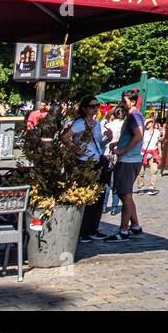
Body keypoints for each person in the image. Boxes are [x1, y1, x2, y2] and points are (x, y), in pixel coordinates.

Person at [106, 90, 145, 241]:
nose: (121, 104)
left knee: (125, 195)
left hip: (129, 160)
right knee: (125, 194)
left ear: (133, 102)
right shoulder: (133, 115)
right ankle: (135, 226)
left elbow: (139, 135)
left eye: (124, 101)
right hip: (130, 159)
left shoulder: (134, 115)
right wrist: (119, 143)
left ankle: (123, 230)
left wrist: (123, 149)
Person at [69, 96, 110, 242]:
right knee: (85, 196)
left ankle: (93, 228)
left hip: (96, 161)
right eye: (92, 106)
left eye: (96, 106)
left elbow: (96, 144)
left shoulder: (97, 124)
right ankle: (82, 231)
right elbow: (65, 137)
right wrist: (76, 150)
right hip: (84, 163)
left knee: (97, 197)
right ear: (84, 108)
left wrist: (108, 139)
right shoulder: (80, 123)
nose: (95, 108)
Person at [103, 107, 124, 214]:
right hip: (121, 156)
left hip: (107, 155)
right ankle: (114, 207)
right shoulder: (126, 126)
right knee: (116, 183)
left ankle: (103, 206)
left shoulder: (108, 125)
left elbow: (102, 140)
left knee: (106, 182)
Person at [140, 118, 163, 194]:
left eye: (148, 123)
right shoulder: (143, 132)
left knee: (154, 170)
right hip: (143, 153)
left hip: (153, 153)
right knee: (141, 171)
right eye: (146, 123)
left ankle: (151, 187)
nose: (146, 124)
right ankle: (141, 187)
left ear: (153, 123)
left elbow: (158, 143)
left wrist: (160, 152)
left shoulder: (157, 132)